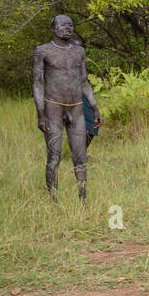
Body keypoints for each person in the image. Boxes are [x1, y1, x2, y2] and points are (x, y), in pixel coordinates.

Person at [33, 15, 100, 201]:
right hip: (53, 108)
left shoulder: (79, 52)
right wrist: (40, 114)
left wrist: (94, 108)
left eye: (70, 25)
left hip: (77, 108)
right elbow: (38, 84)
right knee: (54, 157)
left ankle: (83, 198)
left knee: (80, 157)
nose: (68, 28)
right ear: (53, 28)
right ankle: (53, 199)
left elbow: (84, 81)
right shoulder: (42, 51)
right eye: (63, 25)